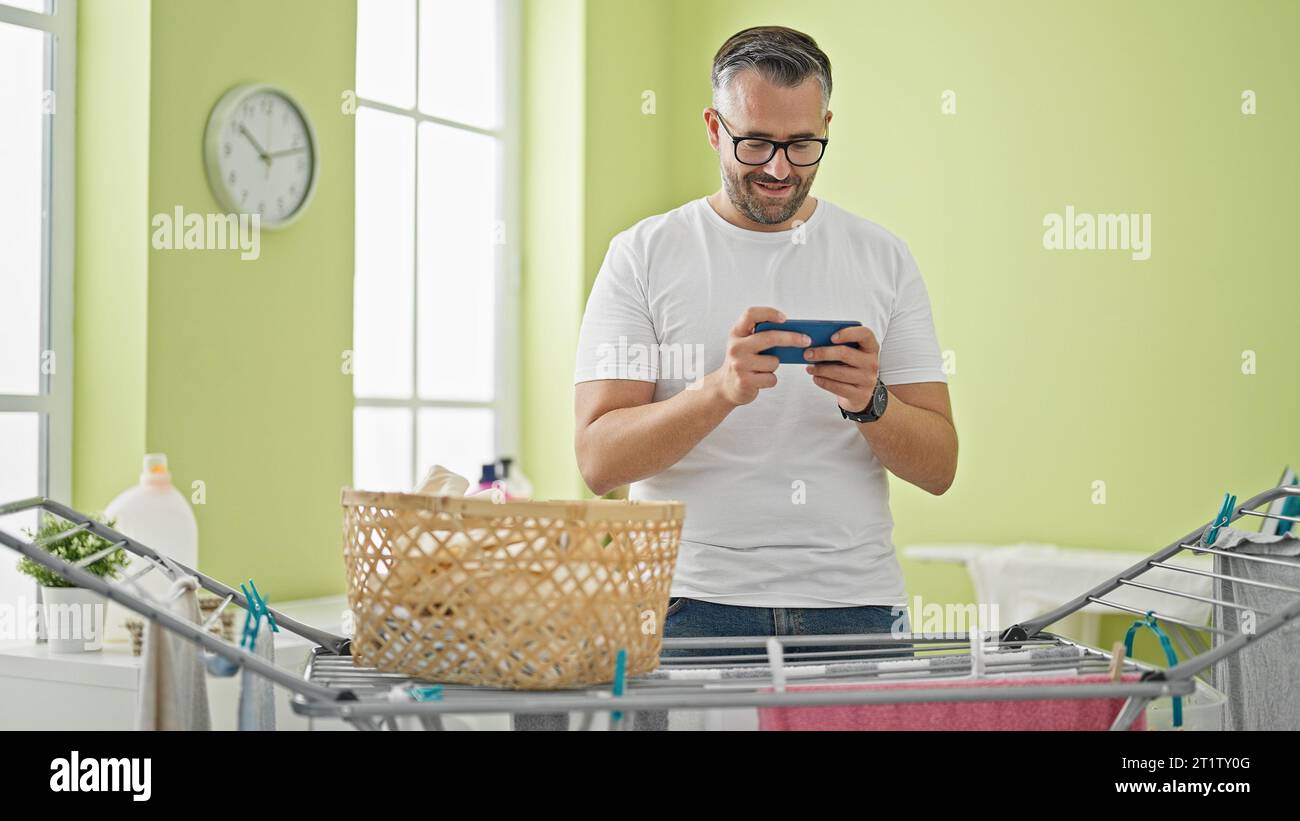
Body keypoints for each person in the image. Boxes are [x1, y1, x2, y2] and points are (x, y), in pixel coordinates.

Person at [538, 25, 956, 731]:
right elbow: (598, 458)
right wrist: (717, 391)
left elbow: (941, 464)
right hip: (688, 607)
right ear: (713, 127)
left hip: (853, 610)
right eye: (754, 142)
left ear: (826, 126)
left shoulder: (884, 258)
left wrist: (871, 400)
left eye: (801, 145)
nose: (779, 169)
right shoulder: (643, 255)